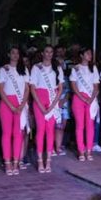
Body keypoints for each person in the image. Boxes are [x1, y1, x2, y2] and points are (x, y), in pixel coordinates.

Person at [0, 47, 30, 176]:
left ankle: (16, 162)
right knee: (6, 134)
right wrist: (11, 105)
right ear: (9, 54)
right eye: (13, 53)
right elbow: (1, 89)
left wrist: (21, 105)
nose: (15, 55)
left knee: (18, 134)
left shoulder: (24, 70)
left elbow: (27, 89)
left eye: (17, 53)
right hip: (7, 103)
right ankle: (7, 163)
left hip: (20, 103)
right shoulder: (3, 70)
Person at [30, 45, 62, 173]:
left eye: (51, 52)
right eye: (46, 51)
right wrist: (40, 104)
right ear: (42, 53)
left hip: (52, 99)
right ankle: (39, 160)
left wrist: (53, 104)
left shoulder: (57, 68)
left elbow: (60, 88)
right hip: (39, 99)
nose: (49, 54)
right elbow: (32, 87)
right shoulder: (36, 68)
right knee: (40, 130)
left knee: (50, 131)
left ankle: (48, 160)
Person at [68, 47, 100, 161]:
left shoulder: (94, 68)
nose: (90, 55)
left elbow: (96, 86)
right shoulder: (76, 68)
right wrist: (82, 97)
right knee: (80, 125)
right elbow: (73, 85)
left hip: (91, 99)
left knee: (90, 125)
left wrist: (91, 99)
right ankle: (81, 151)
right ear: (81, 55)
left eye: (91, 53)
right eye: (87, 53)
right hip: (79, 98)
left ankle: (89, 150)